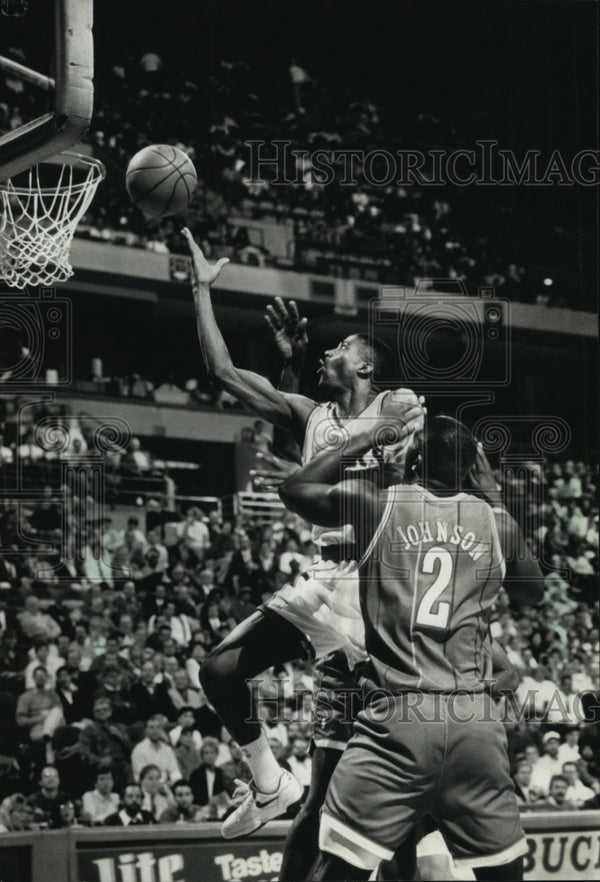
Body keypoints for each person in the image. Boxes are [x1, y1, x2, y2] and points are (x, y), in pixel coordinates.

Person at [182, 229, 423, 837]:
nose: (329, 350)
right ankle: (268, 783)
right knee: (219, 671)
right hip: (323, 583)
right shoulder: (309, 415)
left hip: (376, 598)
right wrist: (201, 290)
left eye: (343, 345)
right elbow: (224, 372)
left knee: (363, 802)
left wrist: (397, 431)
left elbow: (387, 463)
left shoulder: (395, 403)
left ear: (366, 365)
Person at [279, 414, 545, 880]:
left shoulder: (374, 504)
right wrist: (495, 497)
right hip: (475, 727)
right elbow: (534, 591)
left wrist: (361, 434)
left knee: (337, 871)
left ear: (416, 456)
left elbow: (295, 488)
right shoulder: (495, 523)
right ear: (471, 469)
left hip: (399, 720)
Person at [131, 716, 181, 785]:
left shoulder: (167, 749)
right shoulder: (138, 750)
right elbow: (142, 776)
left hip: (167, 786)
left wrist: (176, 783)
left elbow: (175, 771)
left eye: (158, 727)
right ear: (146, 730)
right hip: (147, 787)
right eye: (151, 727)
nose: (155, 730)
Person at [189, 737, 230, 808]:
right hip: (200, 808)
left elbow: (223, 792)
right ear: (202, 756)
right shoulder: (195, 774)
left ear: (216, 754)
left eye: (212, 753)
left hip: (218, 808)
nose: (209, 756)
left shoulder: (219, 772)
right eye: (206, 753)